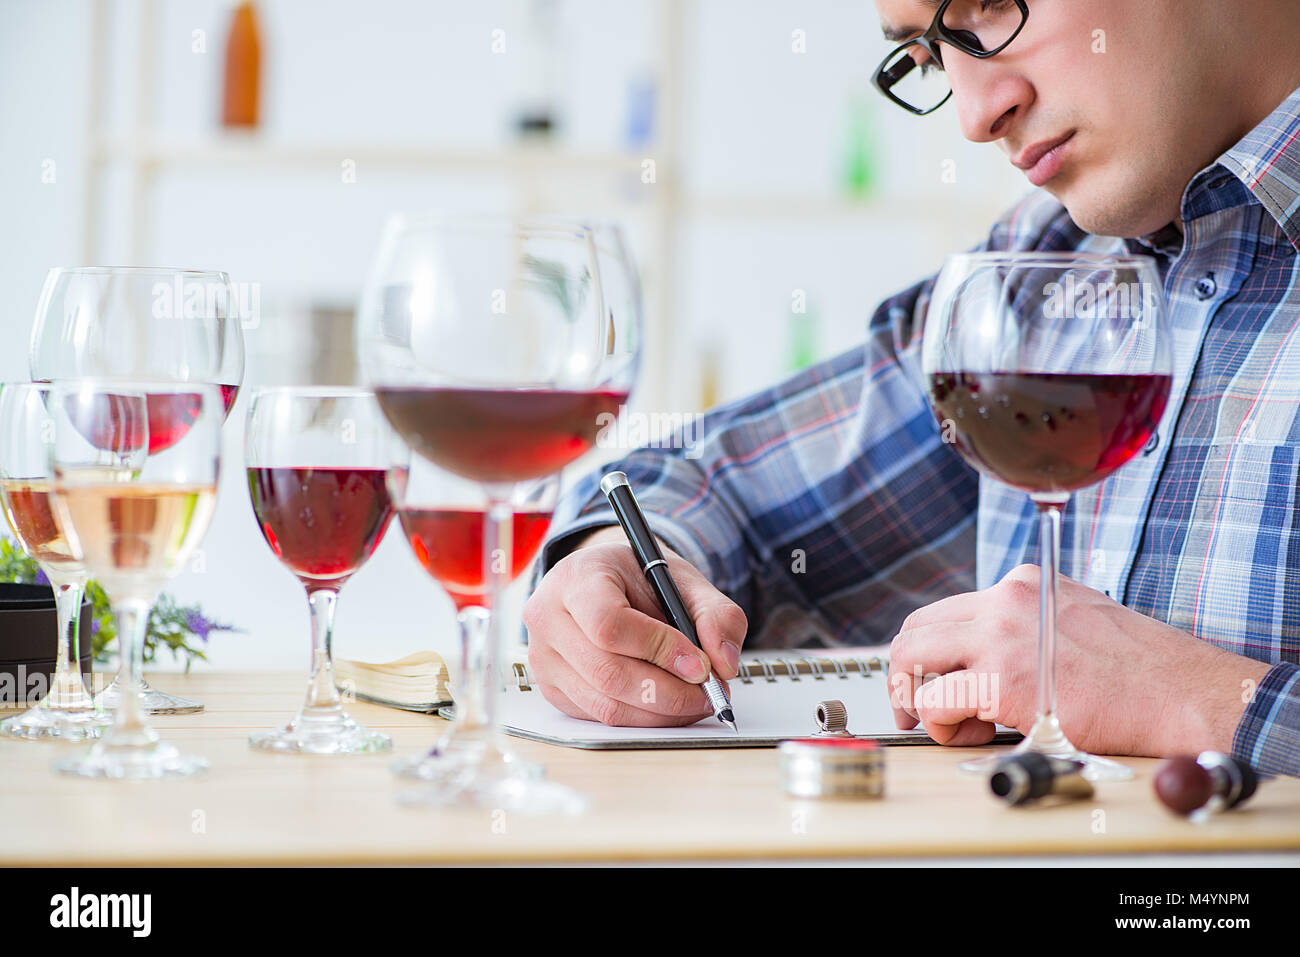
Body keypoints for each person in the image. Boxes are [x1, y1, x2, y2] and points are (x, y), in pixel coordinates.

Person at [521, 0, 1300, 777]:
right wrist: (613, 564)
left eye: (991, 6)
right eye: (927, 59)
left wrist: (1201, 699)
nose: (975, 115)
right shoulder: (1034, 278)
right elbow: (717, 492)